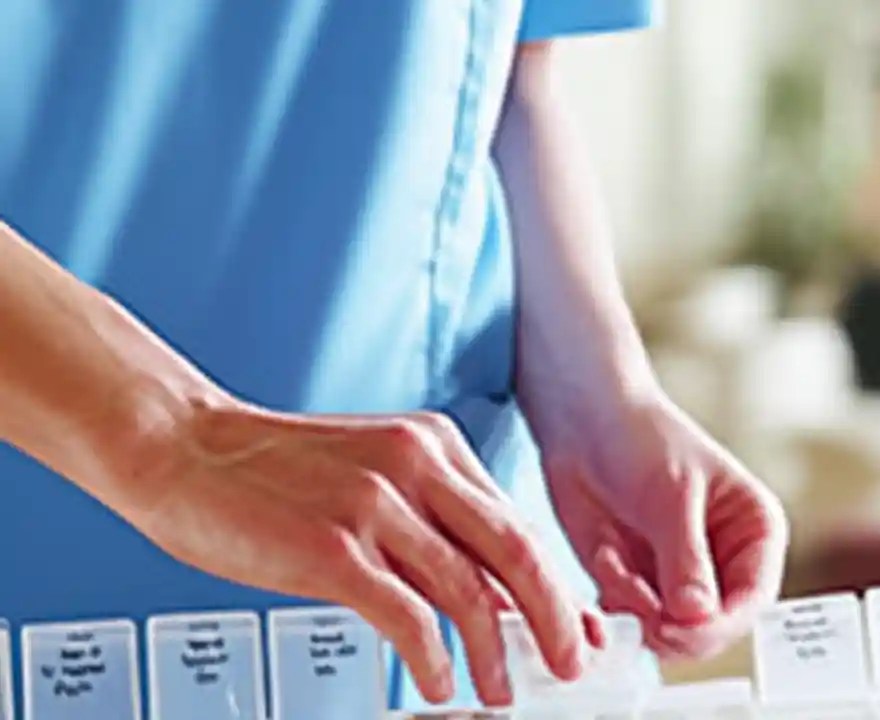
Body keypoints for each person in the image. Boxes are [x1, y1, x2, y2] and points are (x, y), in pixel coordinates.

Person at [0, 1, 788, 710]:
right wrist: (173, 438)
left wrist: (600, 398)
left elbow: (510, 74)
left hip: (457, 609)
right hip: (51, 597)